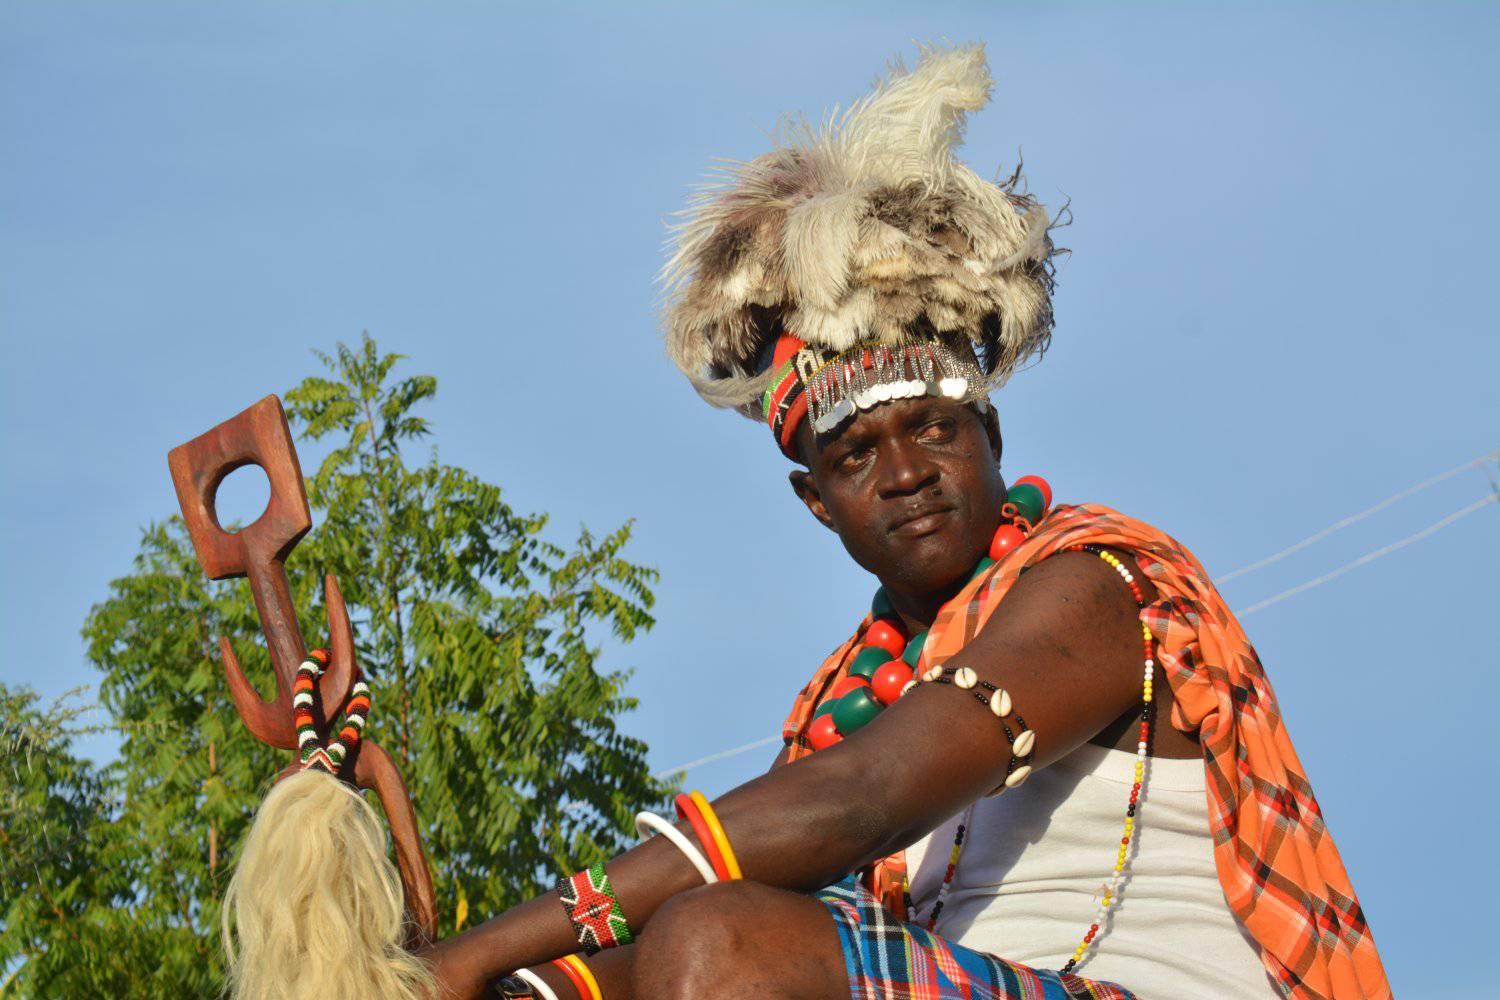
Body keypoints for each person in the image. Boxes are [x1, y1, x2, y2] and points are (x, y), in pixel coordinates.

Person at [225, 44, 1391, 1000]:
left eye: (934, 430)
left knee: (721, 945)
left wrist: (479, 952)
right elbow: (739, 899)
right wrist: (511, 990)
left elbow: (862, 802)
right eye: (856, 453)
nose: (906, 473)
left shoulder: (1093, 587)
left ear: (990, 437)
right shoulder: (844, 693)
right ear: (815, 500)